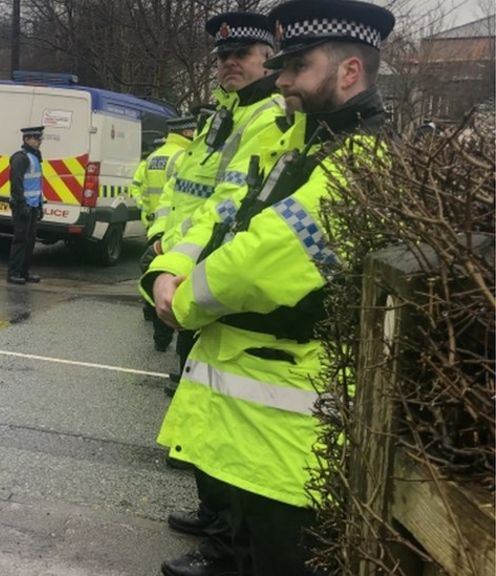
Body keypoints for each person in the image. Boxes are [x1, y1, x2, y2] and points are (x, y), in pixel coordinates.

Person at [142, 1, 393, 574]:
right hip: (260, 434)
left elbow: (261, 263)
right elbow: (222, 218)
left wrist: (180, 302)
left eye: (297, 66)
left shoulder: (364, 160)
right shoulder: (297, 147)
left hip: (296, 443)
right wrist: (164, 269)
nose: (281, 80)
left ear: (349, 72)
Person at [140, 11, 294, 576]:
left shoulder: (269, 117)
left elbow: (232, 210)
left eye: (242, 54)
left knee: (227, 418)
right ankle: (216, 520)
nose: (230, 63)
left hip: (207, 281)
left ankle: (226, 542)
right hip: (181, 265)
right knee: (201, 402)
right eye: (224, 56)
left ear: (266, 59)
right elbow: (190, 195)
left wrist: (184, 278)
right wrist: (164, 246)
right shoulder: (220, 119)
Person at [134, 117, 195, 352]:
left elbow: (138, 185)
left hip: (156, 225)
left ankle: (158, 335)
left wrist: (145, 210)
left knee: (157, 274)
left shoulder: (153, 158)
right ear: (187, 132)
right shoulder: (186, 157)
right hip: (178, 231)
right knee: (175, 285)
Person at [6, 126, 46, 285]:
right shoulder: (20, 158)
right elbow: (16, 184)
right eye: (36, 139)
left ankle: (24, 272)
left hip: (33, 205)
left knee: (30, 241)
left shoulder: (35, 157)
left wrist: (40, 205)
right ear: (26, 139)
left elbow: (36, 184)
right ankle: (13, 273)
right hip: (23, 206)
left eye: (39, 139)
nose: (39, 142)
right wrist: (21, 204)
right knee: (20, 240)